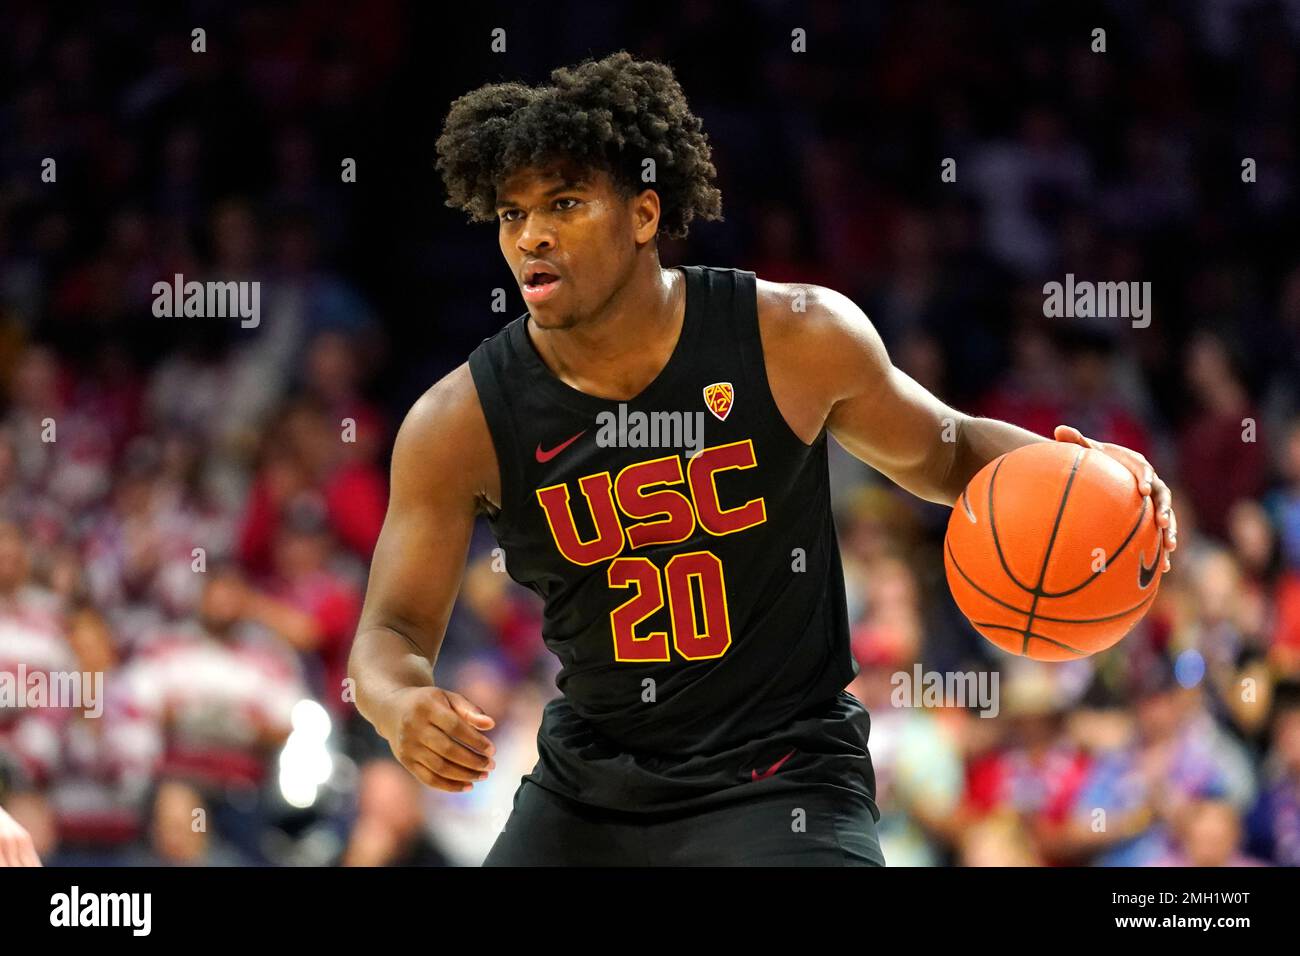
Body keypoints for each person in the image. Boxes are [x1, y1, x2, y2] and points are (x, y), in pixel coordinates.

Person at [347, 51, 1178, 866]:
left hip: (784, 779)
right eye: (511, 213)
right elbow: (390, 630)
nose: (532, 235)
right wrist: (400, 702)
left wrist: (1097, 479)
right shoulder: (460, 422)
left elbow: (951, 449)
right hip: (593, 785)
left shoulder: (792, 336)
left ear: (643, 214)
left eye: (563, 203)